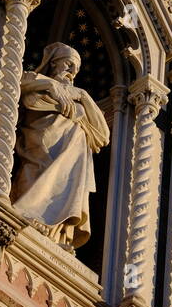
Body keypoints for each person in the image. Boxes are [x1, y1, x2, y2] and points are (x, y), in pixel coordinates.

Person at [10, 43, 110, 247]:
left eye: (77, 69)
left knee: (63, 182)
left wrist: (83, 96)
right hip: (39, 144)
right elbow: (15, 82)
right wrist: (51, 86)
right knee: (34, 174)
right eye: (69, 64)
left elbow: (104, 135)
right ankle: (29, 214)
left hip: (72, 158)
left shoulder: (78, 98)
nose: (72, 72)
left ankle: (56, 235)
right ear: (54, 64)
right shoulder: (37, 82)